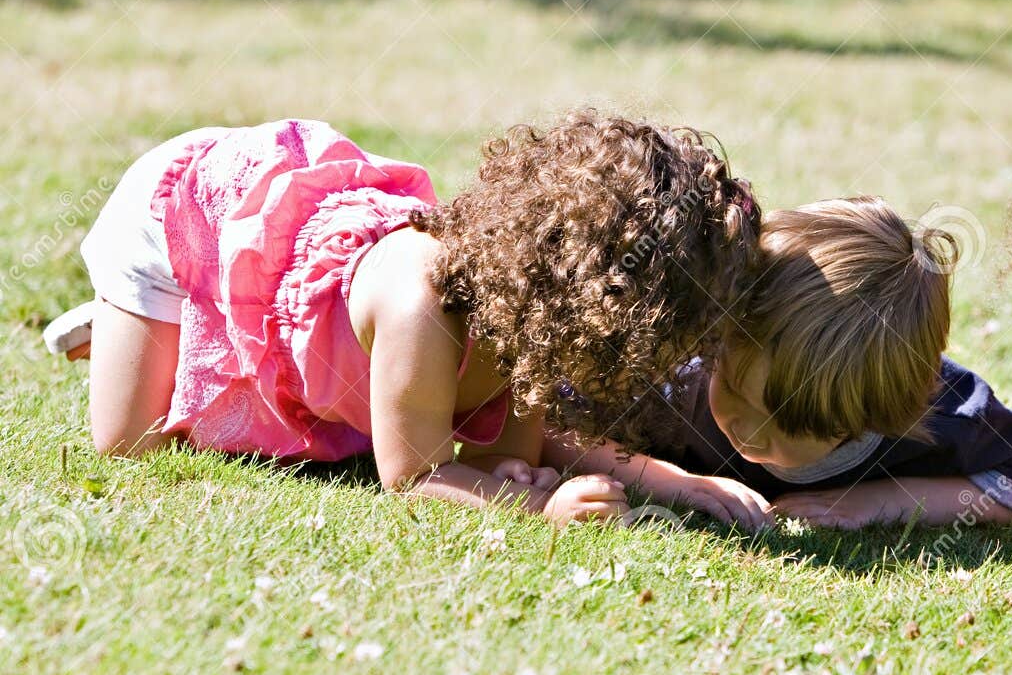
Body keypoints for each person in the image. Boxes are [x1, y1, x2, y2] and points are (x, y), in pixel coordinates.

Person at [55, 113, 761, 524]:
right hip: (190, 218)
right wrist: (536, 509)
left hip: (322, 302)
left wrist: (674, 482)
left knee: (355, 412)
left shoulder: (532, 335)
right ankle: (158, 309)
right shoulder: (420, 306)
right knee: (128, 441)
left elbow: (503, 459)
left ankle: (168, 332)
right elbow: (414, 476)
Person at [545, 197, 1012, 529]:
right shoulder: (693, 367)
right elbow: (555, 425)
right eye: (738, 394)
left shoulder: (938, 411)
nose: (748, 431)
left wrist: (873, 504)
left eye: (790, 424)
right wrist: (677, 483)